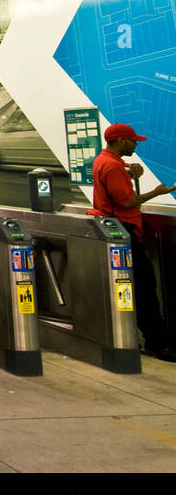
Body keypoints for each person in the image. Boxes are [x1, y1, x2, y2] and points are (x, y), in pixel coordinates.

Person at [91, 123, 175, 361]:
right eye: (132, 141)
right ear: (119, 141)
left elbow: (115, 176)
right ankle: (158, 343)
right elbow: (126, 202)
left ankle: (141, 337)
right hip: (125, 232)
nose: (135, 145)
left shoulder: (104, 161)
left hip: (113, 229)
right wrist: (157, 192)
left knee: (135, 287)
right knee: (145, 288)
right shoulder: (112, 165)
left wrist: (129, 170)